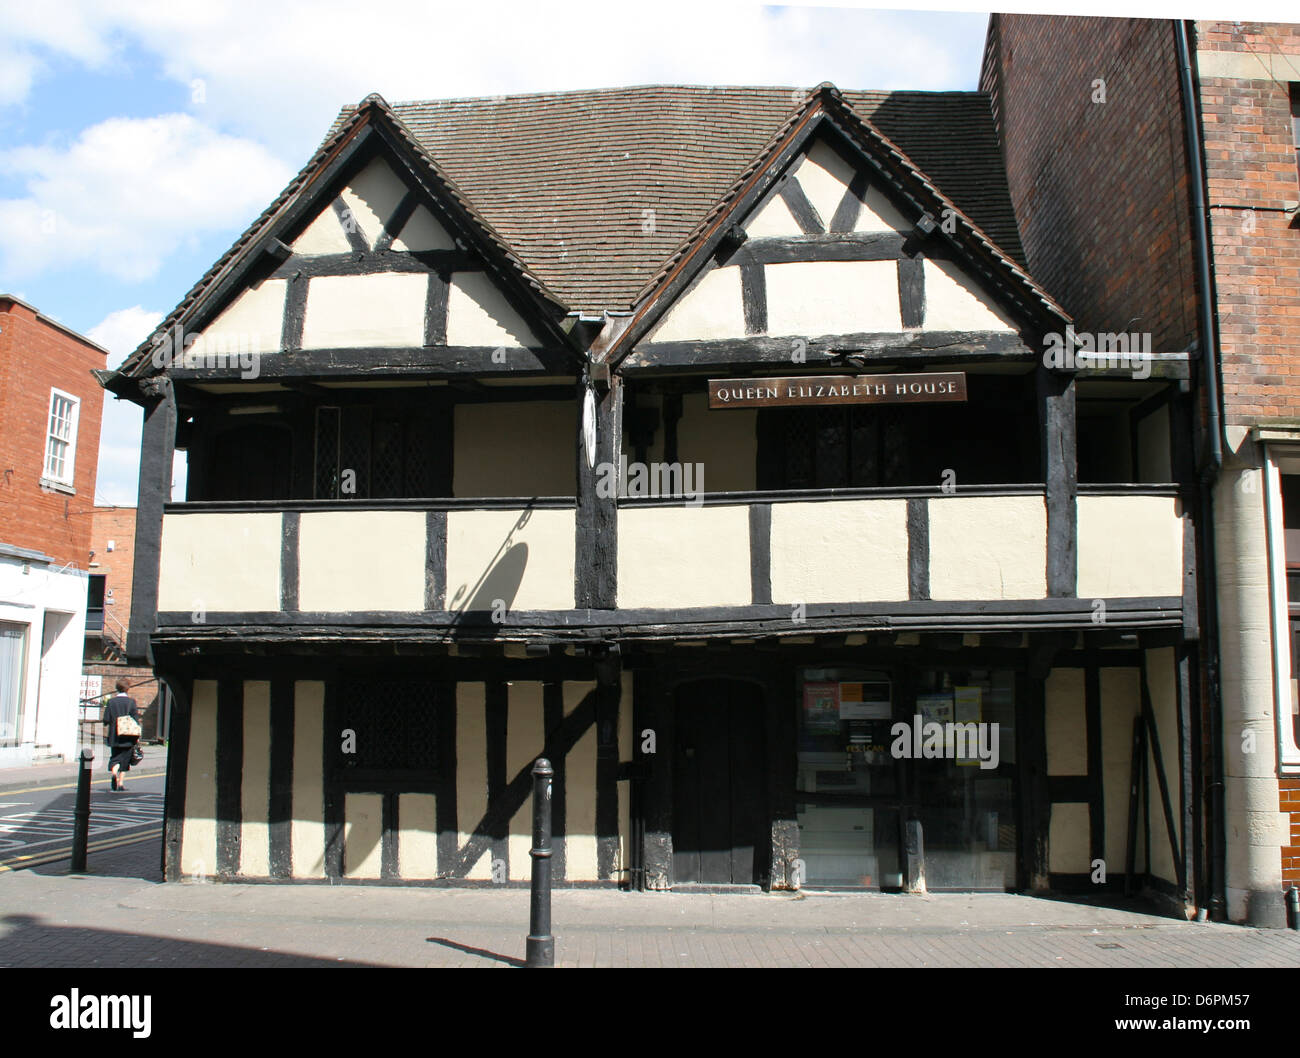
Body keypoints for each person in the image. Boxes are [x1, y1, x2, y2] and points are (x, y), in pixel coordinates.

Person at [101, 679, 141, 792]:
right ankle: (121, 783)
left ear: (117, 688)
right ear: (127, 688)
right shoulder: (131, 702)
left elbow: (106, 719)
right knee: (125, 760)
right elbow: (136, 720)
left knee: (115, 757)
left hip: (114, 735)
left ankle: (114, 772)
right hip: (128, 736)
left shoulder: (111, 702)